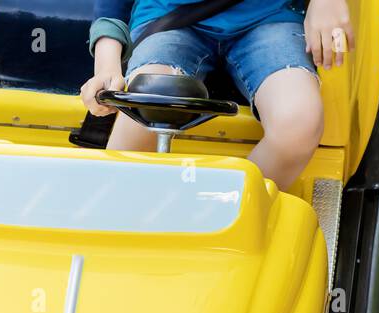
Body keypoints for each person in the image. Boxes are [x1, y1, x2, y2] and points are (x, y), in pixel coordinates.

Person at [81, 0, 354, 189]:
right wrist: (107, 65)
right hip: (171, 19)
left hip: (271, 17)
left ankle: (223, 215)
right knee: (147, 106)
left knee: (299, 122)